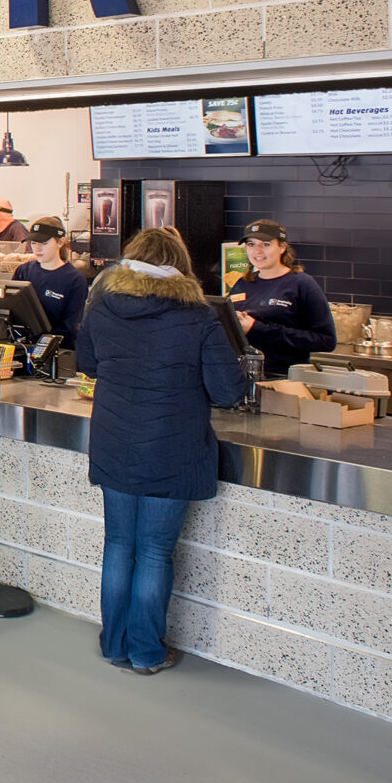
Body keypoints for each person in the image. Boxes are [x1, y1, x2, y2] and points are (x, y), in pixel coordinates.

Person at [84, 228, 248, 674]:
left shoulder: (103, 306)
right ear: (181, 266)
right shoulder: (197, 316)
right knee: (154, 552)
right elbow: (227, 389)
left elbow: (87, 363)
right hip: (172, 445)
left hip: (114, 439)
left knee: (119, 544)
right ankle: (147, 652)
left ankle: (114, 644)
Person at [229, 219, 337, 377]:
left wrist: (257, 329)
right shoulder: (243, 283)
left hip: (284, 380)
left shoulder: (302, 283)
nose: (257, 251)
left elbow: (325, 341)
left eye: (265, 244)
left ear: (282, 247)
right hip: (243, 377)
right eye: (251, 244)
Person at [13, 216, 89, 363]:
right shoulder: (23, 271)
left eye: (44, 243)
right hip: (21, 350)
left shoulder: (74, 280)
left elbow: (71, 326)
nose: (37, 248)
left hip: (55, 356)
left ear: (60, 242)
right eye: (34, 243)